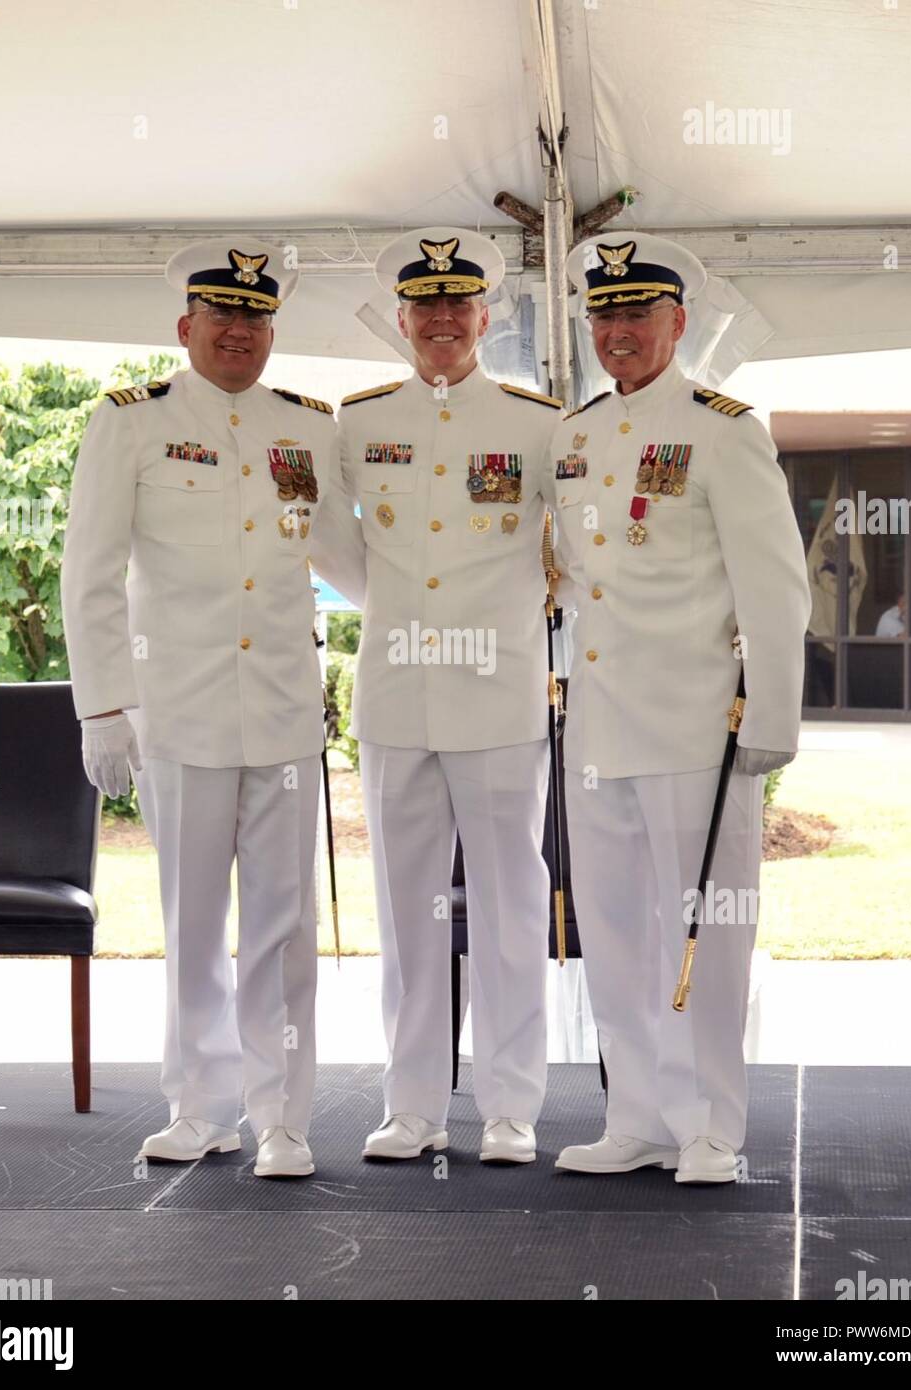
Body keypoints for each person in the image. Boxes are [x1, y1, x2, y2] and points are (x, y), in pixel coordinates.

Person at [61, 239, 362, 1178]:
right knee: (191, 921)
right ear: (186, 326)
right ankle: (197, 1107)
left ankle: (281, 1117)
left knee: (282, 927)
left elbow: (353, 564)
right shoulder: (131, 422)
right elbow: (91, 570)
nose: (240, 332)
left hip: (277, 714)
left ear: (273, 328)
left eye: (257, 317)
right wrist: (103, 706)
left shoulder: (309, 429)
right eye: (223, 316)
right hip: (178, 713)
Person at [546, 232, 811, 1183]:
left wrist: (772, 717)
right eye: (603, 315)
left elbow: (774, 586)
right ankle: (638, 1117)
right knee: (614, 929)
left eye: (636, 313)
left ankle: (712, 1128)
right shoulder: (570, 436)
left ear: (676, 322)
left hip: (698, 724)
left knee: (707, 926)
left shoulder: (722, 427)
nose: (618, 331)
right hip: (598, 726)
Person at [334, 227, 561, 1164]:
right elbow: (323, 538)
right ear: (401, 318)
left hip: (497, 695)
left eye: (457, 304)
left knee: (510, 905)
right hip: (396, 694)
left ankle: (511, 1108)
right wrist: (389, 608)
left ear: (485, 315)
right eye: (424, 305)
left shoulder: (537, 425)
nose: (440, 319)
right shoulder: (356, 421)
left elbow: (570, 546)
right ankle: (413, 1106)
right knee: (406, 906)